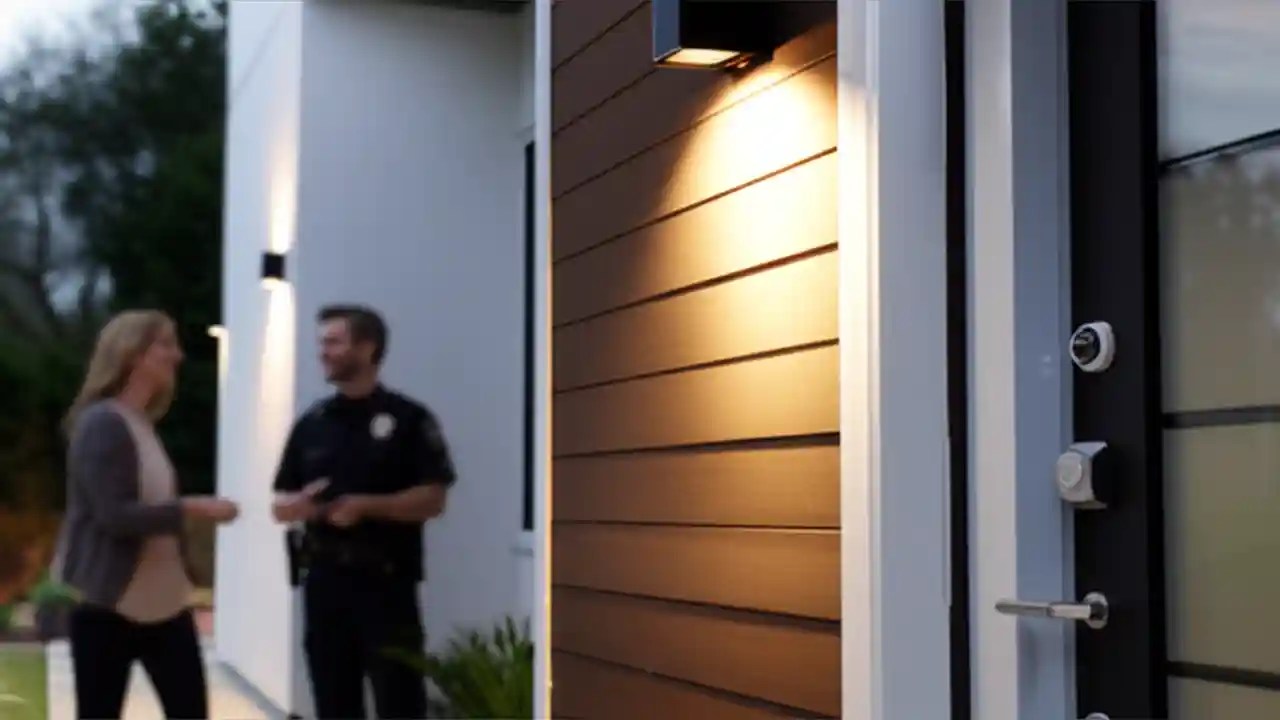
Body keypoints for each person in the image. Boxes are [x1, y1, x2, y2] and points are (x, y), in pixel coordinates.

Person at [272, 304, 457, 720]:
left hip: (386, 587)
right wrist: (297, 508)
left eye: (333, 342)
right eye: (322, 342)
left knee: (400, 702)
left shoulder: (409, 419)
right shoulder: (313, 423)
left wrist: (366, 507)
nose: (323, 351)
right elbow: (281, 505)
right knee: (333, 703)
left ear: (367, 347)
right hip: (324, 584)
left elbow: (434, 498)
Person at [53, 310, 240, 720]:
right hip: (112, 607)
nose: (178, 355)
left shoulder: (141, 423)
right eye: (166, 344)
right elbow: (114, 516)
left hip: (166, 605)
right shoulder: (103, 423)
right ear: (132, 354)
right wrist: (191, 508)